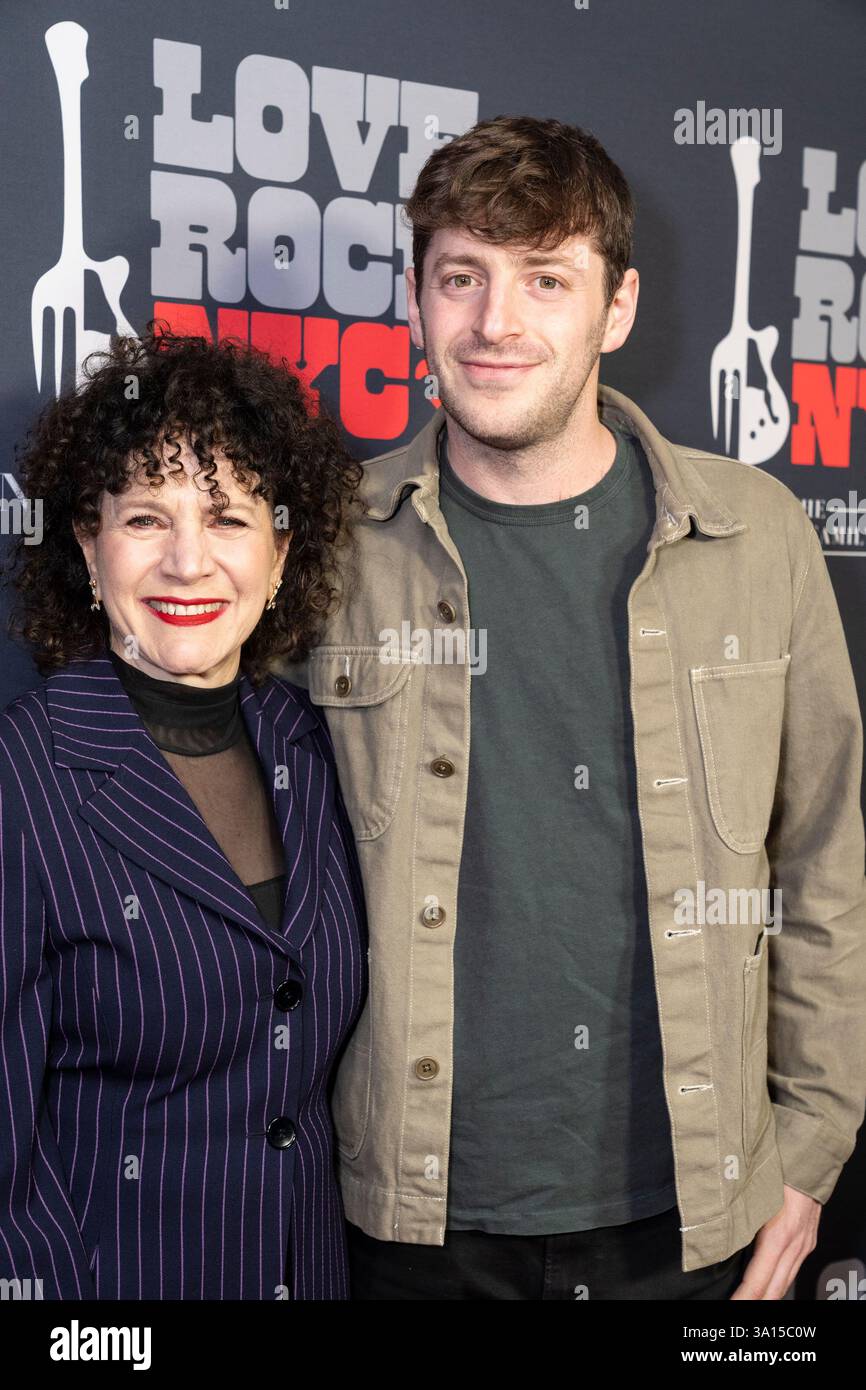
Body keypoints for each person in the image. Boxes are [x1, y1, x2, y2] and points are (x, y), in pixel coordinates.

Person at [280, 116, 866, 1300]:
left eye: (545, 279)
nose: (495, 323)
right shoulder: (327, 542)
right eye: (462, 277)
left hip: (702, 1220)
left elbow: (822, 869)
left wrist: (806, 1154)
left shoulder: (757, 537)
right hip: (404, 1220)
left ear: (617, 308)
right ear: (416, 299)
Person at [0, 322, 368, 1299]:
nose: (187, 562)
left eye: (229, 518)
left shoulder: (313, 744)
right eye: (146, 519)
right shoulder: (24, 777)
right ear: (89, 543)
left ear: (282, 552)